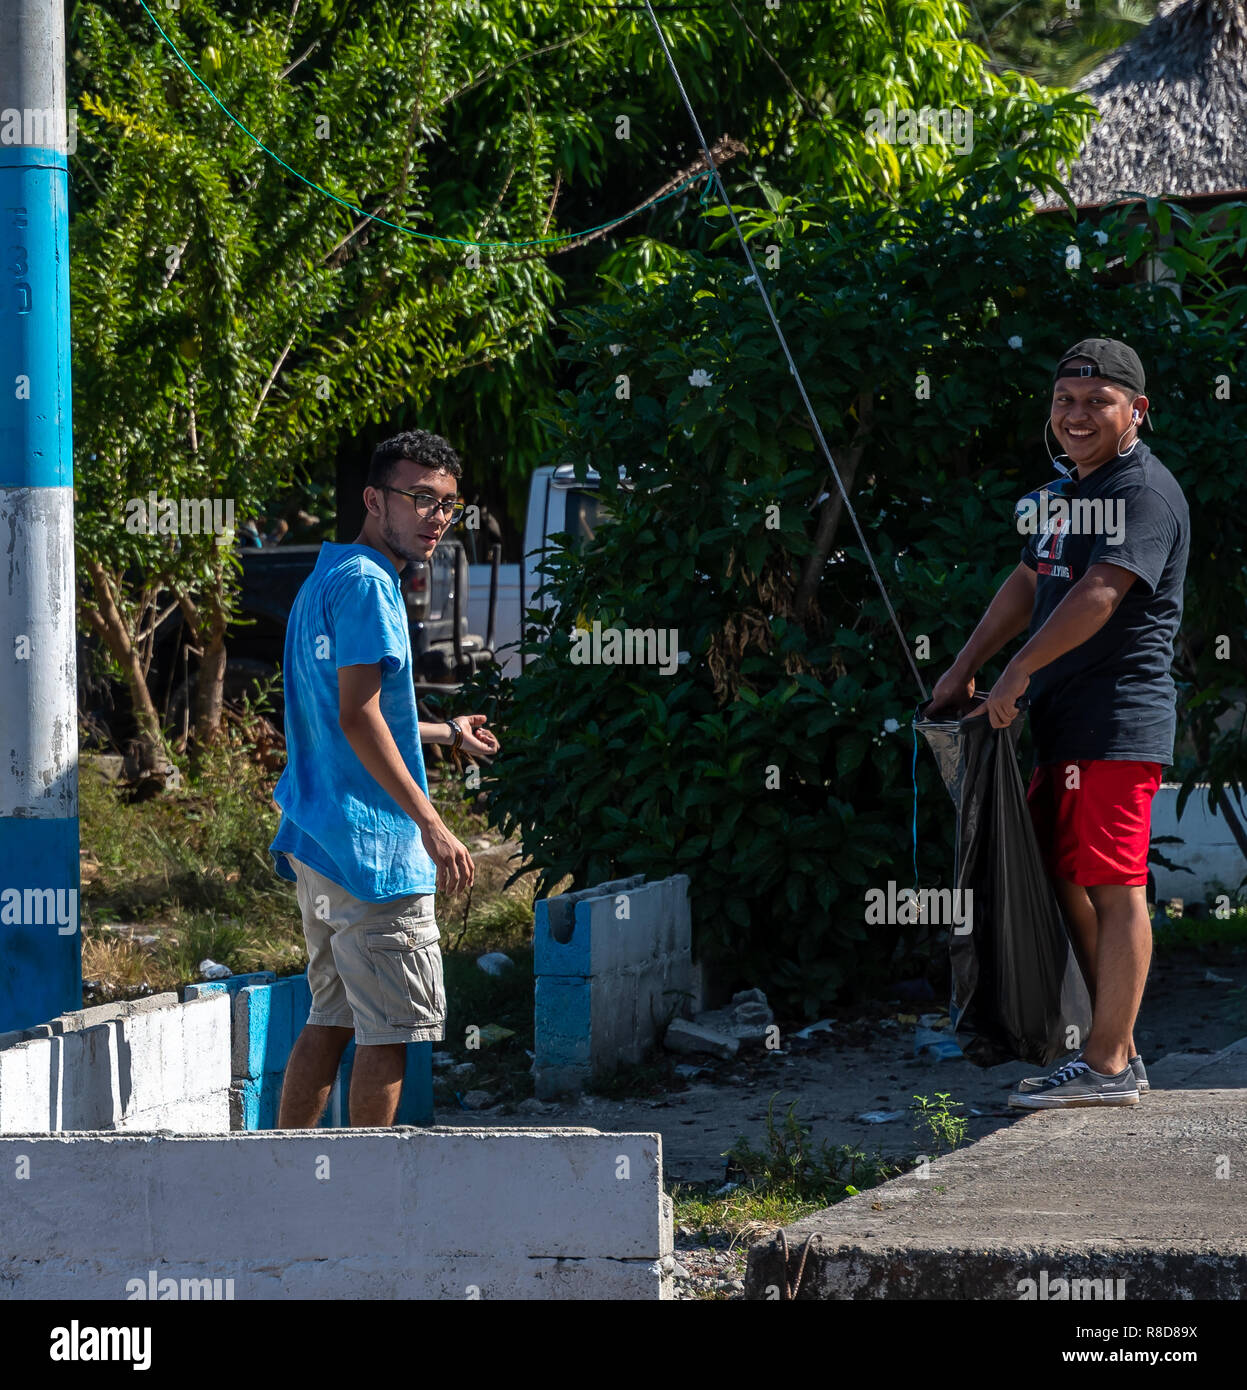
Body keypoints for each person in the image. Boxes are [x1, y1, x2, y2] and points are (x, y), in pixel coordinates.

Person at [929, 339, 1189, 1109]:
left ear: (1135, 411)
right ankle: (1113, 1051)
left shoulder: (1143, 491)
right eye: (1064, 401)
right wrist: (963, 665)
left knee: (1114, 883)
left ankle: (1108, 1065)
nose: (1076, 416)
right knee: (1063, 876)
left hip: (1117, 721)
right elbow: (1028, 577)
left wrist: (1016, 673)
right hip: (1063, 722)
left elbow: (1100, 593)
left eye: (1097, 402)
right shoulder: (1061, 492)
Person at [270, 429, 500, 1127]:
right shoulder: (372, 586)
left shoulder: (328, 577)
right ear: (375, 499)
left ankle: (288, 1188)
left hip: (319, 842)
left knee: (330, 1019)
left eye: (446, 504)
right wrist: (431, 823)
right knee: (389, 1032)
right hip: (374, 853)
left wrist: (445, 733)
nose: (435, 516)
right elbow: (358, 716)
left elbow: (350, 711)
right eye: (418, 498)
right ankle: (362, 1207)